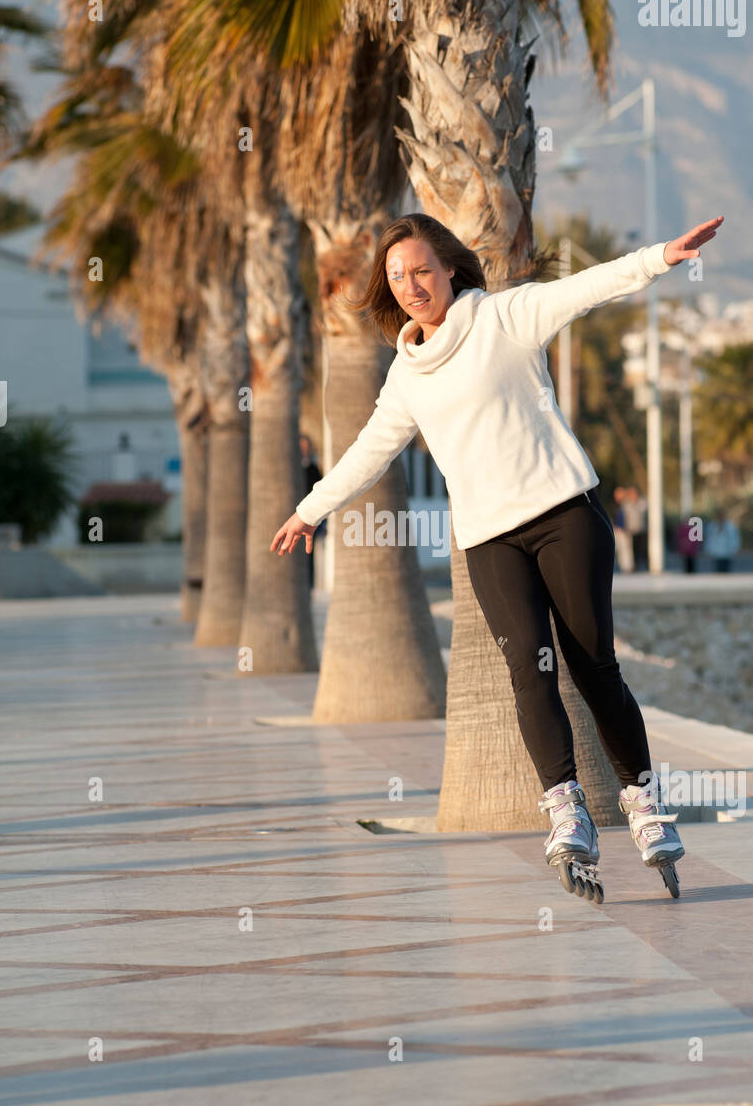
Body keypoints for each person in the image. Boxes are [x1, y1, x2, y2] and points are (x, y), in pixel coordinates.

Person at [272, 212, 724, 901]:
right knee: (528, 670)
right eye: (397, 277)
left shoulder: (502, 318)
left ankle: (642, 804)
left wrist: (661, 256)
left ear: (449, 267)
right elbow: (367, 451)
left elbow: (587, 287)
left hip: (564, 516)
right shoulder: (407, 375)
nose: (412, 285)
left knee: (591, 665)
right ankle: (565, 808)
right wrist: (310, 510)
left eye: (422, 269)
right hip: (490, 539)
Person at [299, 433, 323, 588]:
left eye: (306, 446)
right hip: (293, 519)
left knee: (309, 555)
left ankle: (309, 587)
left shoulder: (313, 469)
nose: (304, 449)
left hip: (310, 519)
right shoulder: (291, 469)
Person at [705, 507, 740, 573]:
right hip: (716, 554)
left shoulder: (731, 526)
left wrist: (735, 549)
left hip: (727, 553)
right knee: (717, 572)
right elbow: (709, 539)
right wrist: (708, 550)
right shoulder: (712, 526)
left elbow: (735, 539)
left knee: (726, 572)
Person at [621, 485, 649, 571]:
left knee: (643, 549)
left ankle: (644, 564)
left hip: (642, 529)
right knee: (633, 550)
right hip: (631, 530)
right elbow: (624, 517)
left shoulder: (643, 503)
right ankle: (635, 565)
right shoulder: (626, 504)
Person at [612, 485, 634, 573]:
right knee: (620, 549)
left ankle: (627, 567)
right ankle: (623, 566)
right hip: (617, 529)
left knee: (626, 549)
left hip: (624, 530)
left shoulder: (626, 504)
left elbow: (627, 517)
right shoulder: (616, 504)